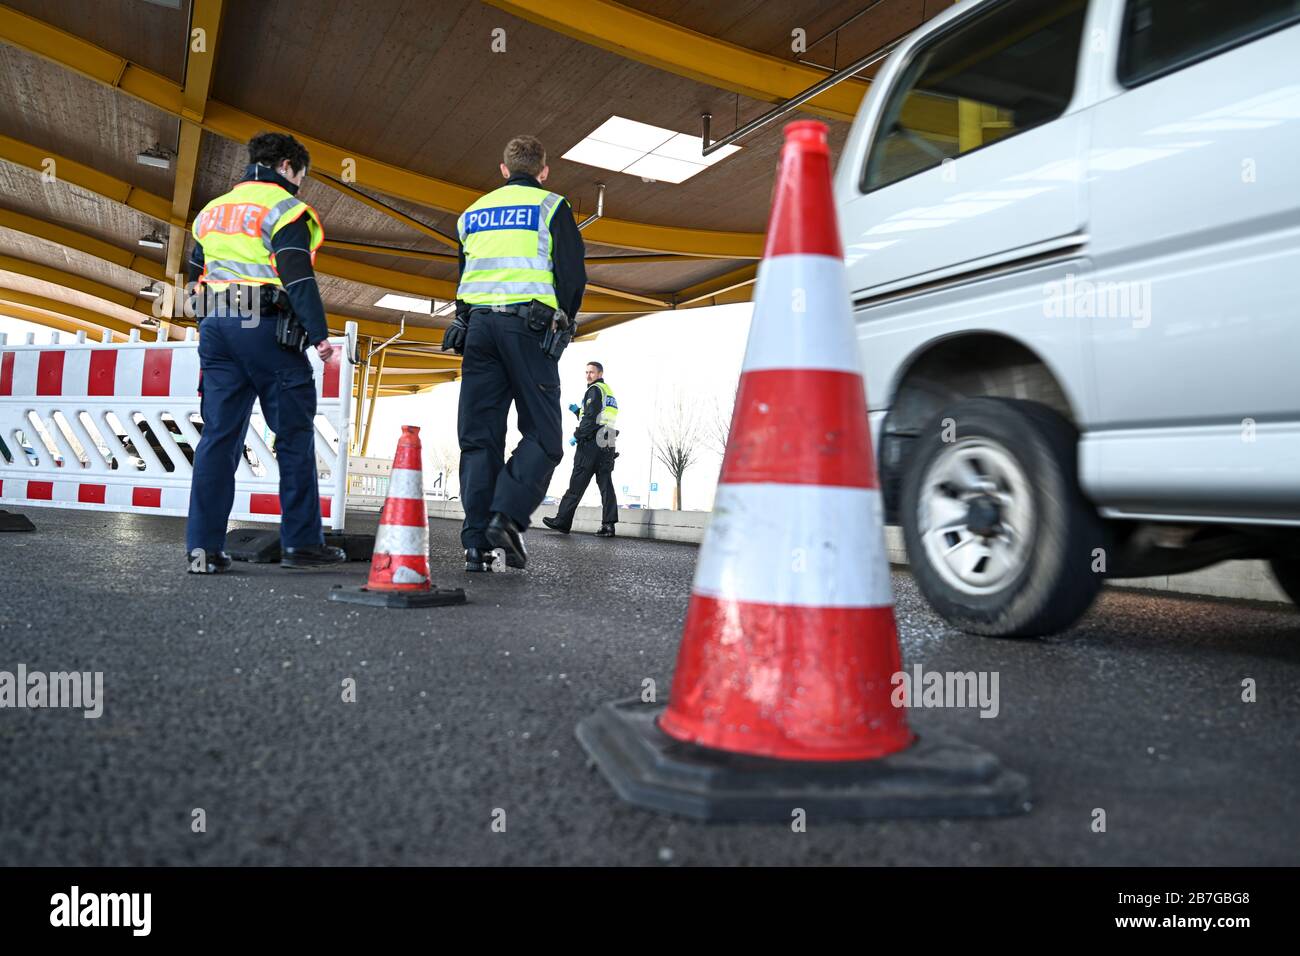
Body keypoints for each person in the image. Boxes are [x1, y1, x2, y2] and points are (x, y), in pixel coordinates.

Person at [185, 132, 346, 573]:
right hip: (263, 327)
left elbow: (194, 272)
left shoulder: (212, 210)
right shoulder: (285, 208)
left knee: (218, 437)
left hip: (216, 327)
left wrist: (210, 324)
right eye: (302, 175)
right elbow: (296, 275)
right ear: (287, 166)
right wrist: (319, 335)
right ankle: (301, 544)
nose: (301, 184)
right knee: (293, 435)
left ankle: (203, 549)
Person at [442, 135, 586, 572]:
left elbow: (465, 273)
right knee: (544, 436)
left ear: (503, 170)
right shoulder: (553, 207)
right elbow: (572, 274)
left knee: (479, 436)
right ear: (544, 171)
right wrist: (566, 318)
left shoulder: (473, 213)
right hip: (529, 328)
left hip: (479, 329)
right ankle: (505, 518)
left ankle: (476, 543)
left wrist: (466, 318)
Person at [543, 361, 619, 536]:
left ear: (600, 373)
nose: (588, 375)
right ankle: (609, 525)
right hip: (607, 442)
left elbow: (591, 419)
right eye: (586, 372)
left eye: (591, 372)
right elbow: (599, 417)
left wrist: (576, 436)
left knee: (576, 483)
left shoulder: (594, 390)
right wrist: (578, 411)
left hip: (591, 444)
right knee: (606, 485)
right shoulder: (609, 393)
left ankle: (562, 521)